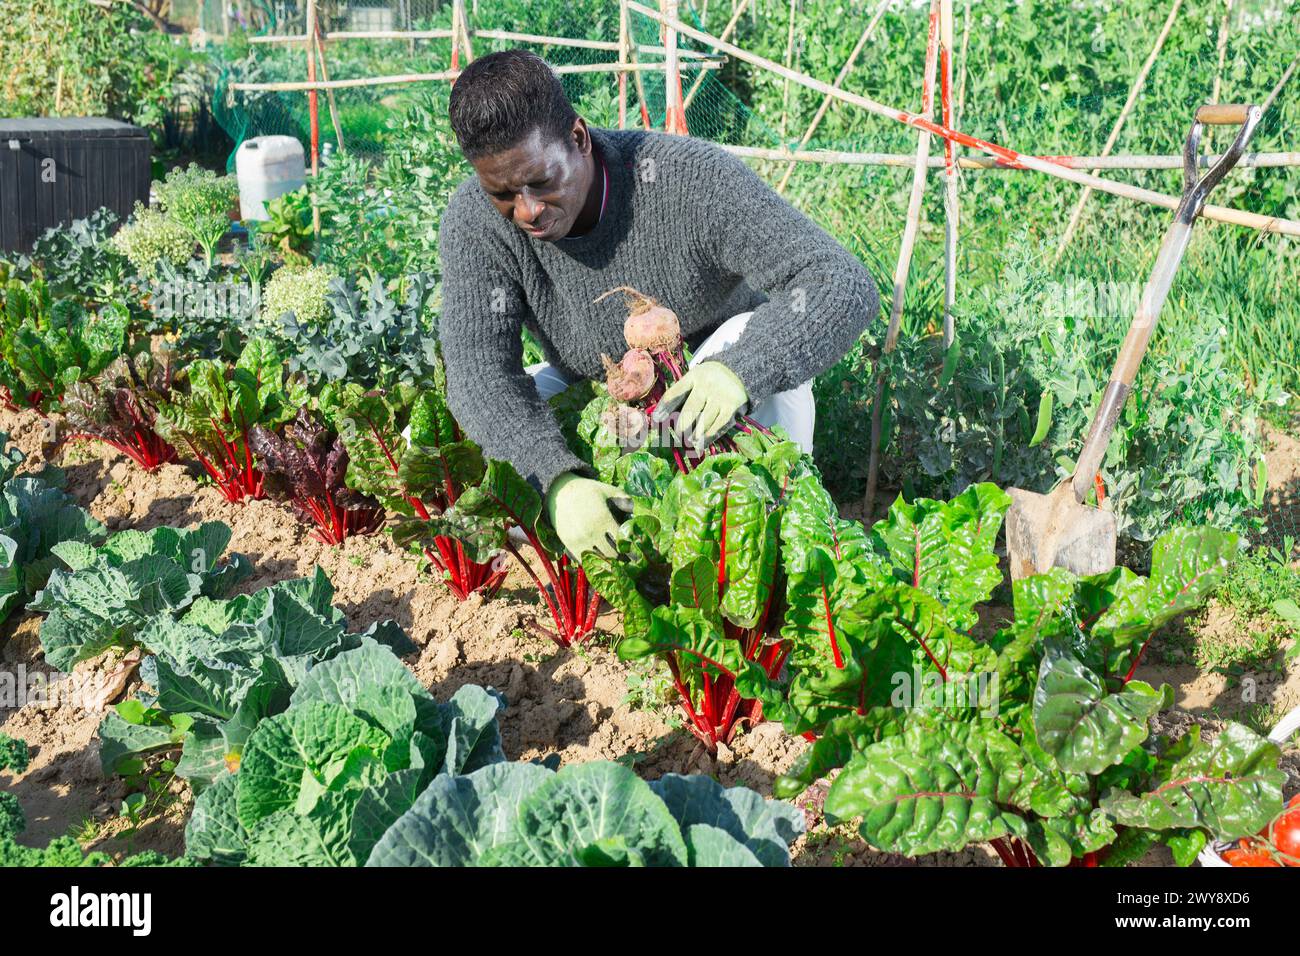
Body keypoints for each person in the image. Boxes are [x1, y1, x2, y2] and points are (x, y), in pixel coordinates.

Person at [439, 49, 879, 559]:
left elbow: (840, 280)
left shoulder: (683, 179)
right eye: (504, 193)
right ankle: (589, 529)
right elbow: (479, 374)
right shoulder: (476, 221)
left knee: (751, 352)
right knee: (462, 436)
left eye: (541, 182)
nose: (528, 210)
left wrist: (740, 370)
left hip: (711, 383)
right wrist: (556, 483)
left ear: (578, 139)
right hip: (602, 395)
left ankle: (773, 544)